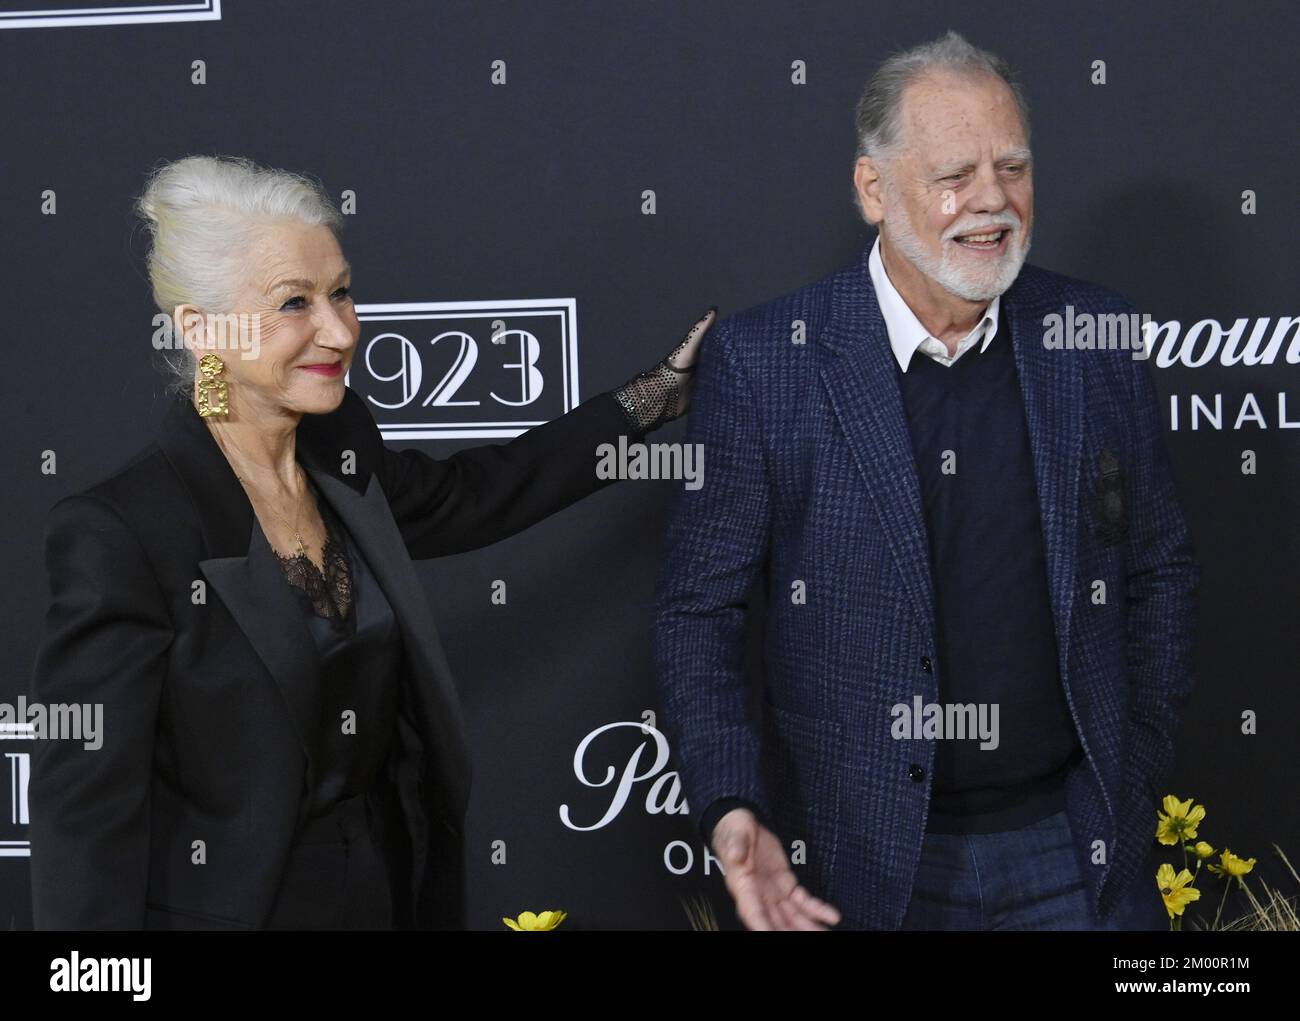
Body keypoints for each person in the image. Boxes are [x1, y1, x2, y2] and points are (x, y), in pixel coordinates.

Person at [28, 153, 715, 930]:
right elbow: (84, 821)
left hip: (391, 898)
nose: (340, 330)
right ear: (201, 327)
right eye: (295, 303)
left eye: (342, 291)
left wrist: (653, 399)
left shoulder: (340, 446)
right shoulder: (125, 530)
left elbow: (476, 494)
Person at [653, 31, 1199, 931]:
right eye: (956, 174)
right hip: (860, 859)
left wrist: (1134, 767)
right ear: (874, 190)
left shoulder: (1097, 336)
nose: (993, 201)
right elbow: (697, 611)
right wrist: (730, 803)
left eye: (1013, 168)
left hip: (1076, 844)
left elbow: (1160, 565)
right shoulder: (768, 362)